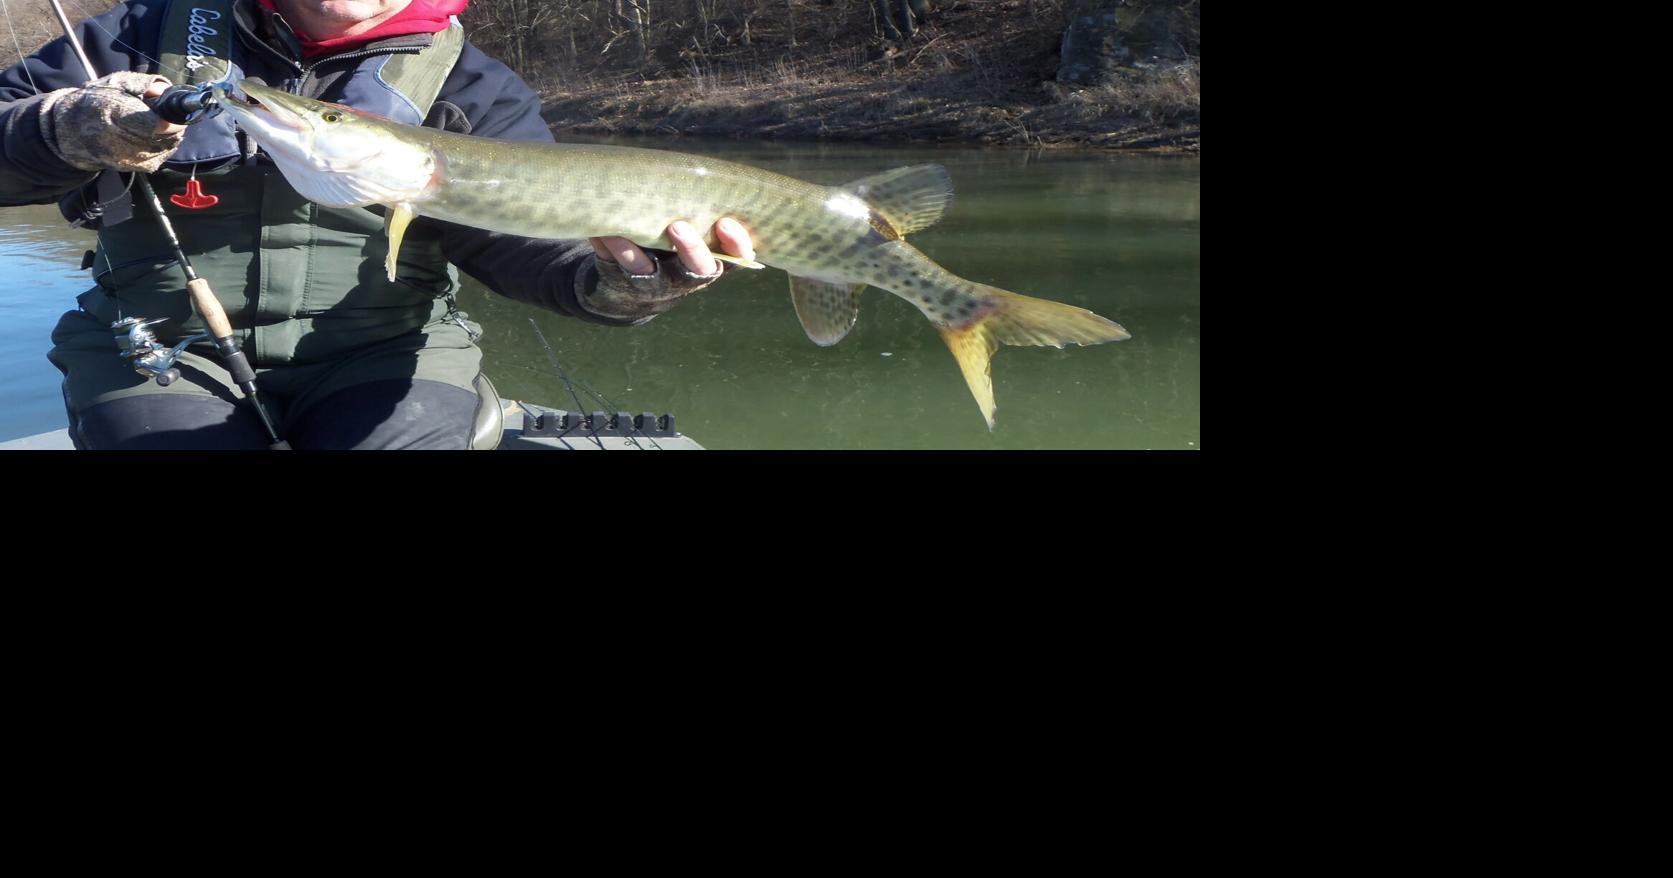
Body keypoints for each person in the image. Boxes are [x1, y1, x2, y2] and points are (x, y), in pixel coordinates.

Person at [0, 0, 755, 449]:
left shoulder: (472, 85)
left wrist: (620, 287)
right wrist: (59, 129)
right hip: (160, 347)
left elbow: (525, 247)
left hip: (386, 352)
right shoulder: (126, 36)